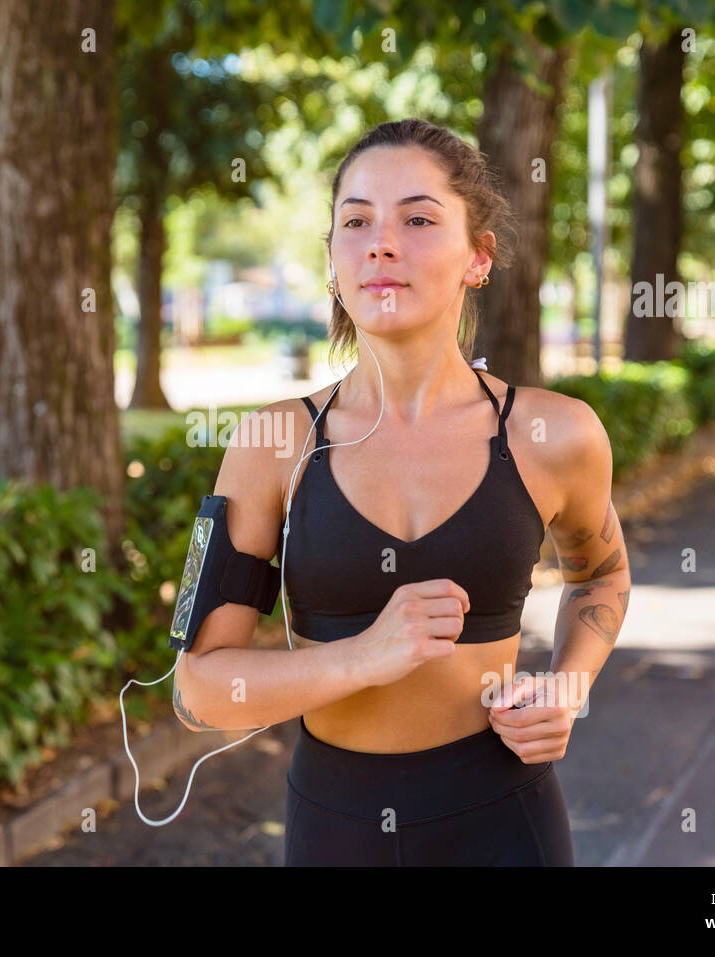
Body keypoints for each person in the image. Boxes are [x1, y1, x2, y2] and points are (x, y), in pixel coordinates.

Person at [171, 118, 630, 866]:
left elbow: (601, 572)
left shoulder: (556, 434)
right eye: (356, 221)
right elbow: (198, 692)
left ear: (478, 256)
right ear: (332, 262)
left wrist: (567, 686)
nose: (381, 243)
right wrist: (362, 657)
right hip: (335, 829)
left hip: (506, 822)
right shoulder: (273, 445)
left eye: (418, 218)